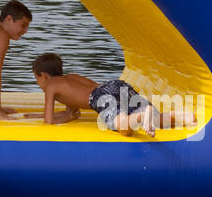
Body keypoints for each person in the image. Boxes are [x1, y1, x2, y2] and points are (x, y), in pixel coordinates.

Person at [28, 52, 193, 136]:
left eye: (37, 80)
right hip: (115, 85)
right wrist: (36, 115)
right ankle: (181, 116)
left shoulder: (51, 86)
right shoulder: (71, 78)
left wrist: (42, 117)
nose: (39, 84)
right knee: (158, 120)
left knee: (121, 126)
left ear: (43, 75)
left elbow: (49, 121)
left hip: (100, 96)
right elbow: (71, 113)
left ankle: (142, 116)